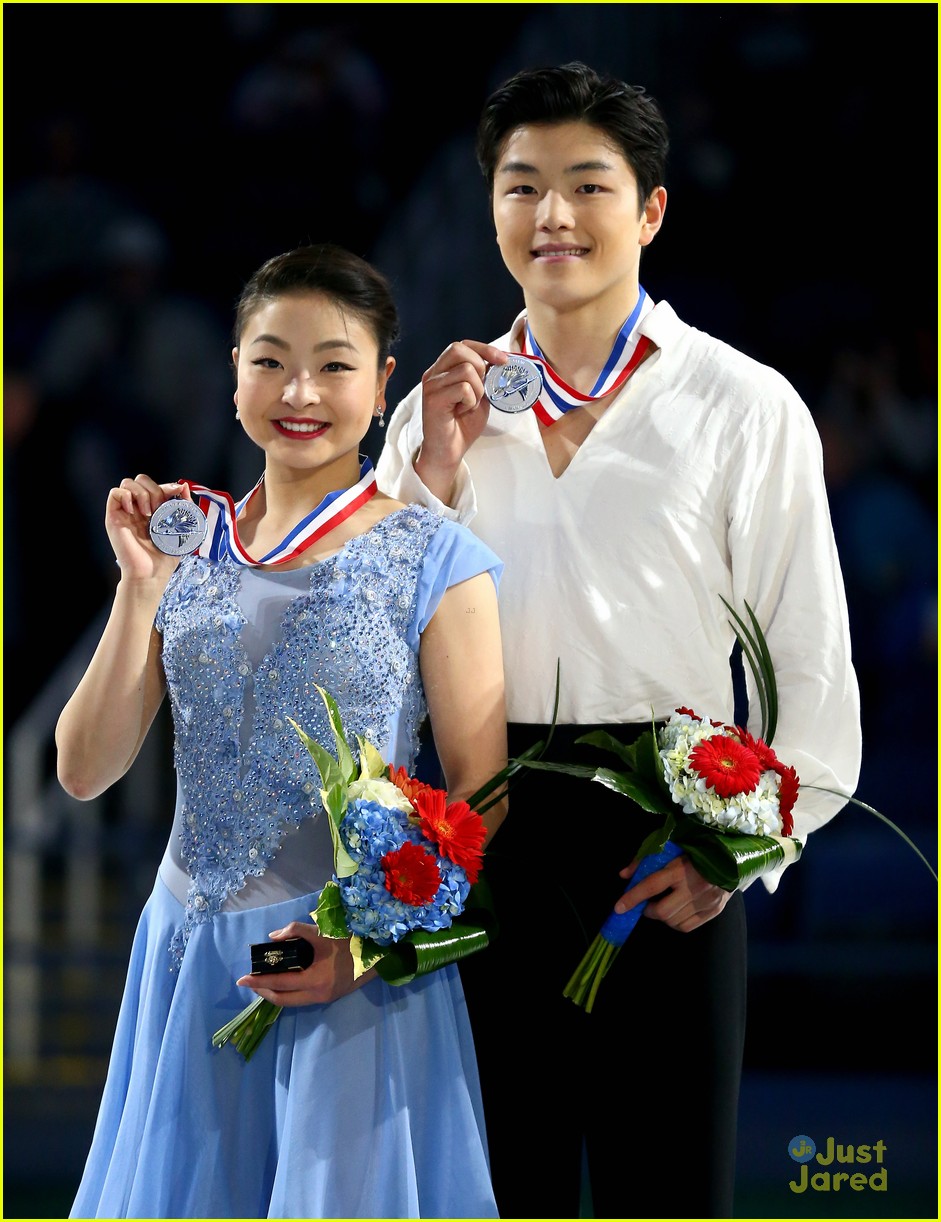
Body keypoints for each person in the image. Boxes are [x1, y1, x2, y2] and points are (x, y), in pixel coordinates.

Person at [376, 62, 862, 1220]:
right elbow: (373, 654)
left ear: (648, 211)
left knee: (669, 1196)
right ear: (491, 210)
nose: (551, 214)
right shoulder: (436, 415)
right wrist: (431, 476)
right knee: (496, 1197)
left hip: (665, 841)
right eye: (521, 186)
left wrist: (736, 852)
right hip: (483, 840)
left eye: (586, 185)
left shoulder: (742, 403)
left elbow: (807, 661)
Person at [55, 243, 508, 1219]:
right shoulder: (185, 548)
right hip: (185, 957)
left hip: (338, 962)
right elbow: (84, 770)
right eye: (270, 360)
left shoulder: (437, 555)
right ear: (233, 374)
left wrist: (364, 945)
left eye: (334, 365)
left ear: (382, 385)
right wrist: (138, 591)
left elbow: (484, 794)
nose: (299, 391)